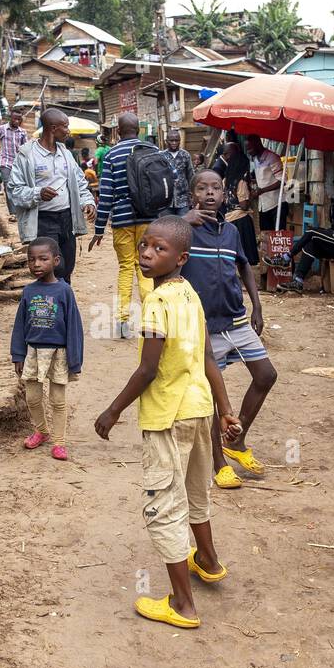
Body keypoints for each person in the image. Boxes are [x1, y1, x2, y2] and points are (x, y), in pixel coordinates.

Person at [94, 217, 241, 630]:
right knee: (196, 492)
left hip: (168, 416)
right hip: (198, 410)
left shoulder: (157, 303)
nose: (145, 254)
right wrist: (225, 408)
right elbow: (209, 358)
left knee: (165, 504)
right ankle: (208, 561)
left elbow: (147, 370)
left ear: (181, 258)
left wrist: (113, 410)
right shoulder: (190, 294)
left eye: (158, 249)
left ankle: (182, 604)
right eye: (144, 246)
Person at [183, 170, 277, 489]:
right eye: (202, 187)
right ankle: (219, 464)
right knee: (209, 395)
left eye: (216, 188)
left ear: (225, 195)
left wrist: (257, 306)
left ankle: (235, 441)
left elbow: (244, 267)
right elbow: (154, 241)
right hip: (204, 327)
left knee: (266, 375)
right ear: (192, 194)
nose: (210, 193)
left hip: (236, 319)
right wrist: (184, 220)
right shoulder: (184, 230)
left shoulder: (232, 231)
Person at [11, 236, 84, 463]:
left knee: (57, 400)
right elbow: (19, 325)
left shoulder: (64, 291)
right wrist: (18, 354)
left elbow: (74, 326)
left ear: (56, 260)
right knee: (32, 397)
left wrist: (75, 359)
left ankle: (59, 442)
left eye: (43, 259)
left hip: (58, 353)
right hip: (33, 352)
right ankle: (41, 431)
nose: (37, 265)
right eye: (31, 260)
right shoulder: (28, 292)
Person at [8, 107, 96, 282]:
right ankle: (51, 304)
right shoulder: (27, 155)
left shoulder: (66, 154)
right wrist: (38, 193)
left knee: (68, 266)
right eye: (65, 126)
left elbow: (80, 182)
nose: (68, 131)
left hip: (66, 218)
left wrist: (88, 201)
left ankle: (64, 302)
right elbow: (14, 191)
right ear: (53, 128)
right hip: (43, 220)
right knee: (54, 267)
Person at [89, 112, 153, 338]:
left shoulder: (112, 155)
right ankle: (150, 319)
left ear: (117, 130)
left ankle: (123, 322)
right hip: (149, 220)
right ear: (139, 129)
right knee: (146, 268)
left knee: (127, 266)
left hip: (122, 220)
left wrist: (98, 230)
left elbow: (105, 196)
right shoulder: (152, 151)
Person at [212, 138, 259, 266]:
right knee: (245, 258)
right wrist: (250, 198)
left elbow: (222, 199)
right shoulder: (241, 181)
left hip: (229, 218)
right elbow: (243, 206)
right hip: (241, 220)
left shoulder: (225, 180)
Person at [0, 105, 27, 215]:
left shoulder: (22, 132)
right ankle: (13, 213)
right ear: (10, 118)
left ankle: (19, 210)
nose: (17, 121)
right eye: (15, 119)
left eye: (19, 119)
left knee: (18, 187)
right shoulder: (2, 129)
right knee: (8, 186)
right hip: (6, 163)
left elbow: (26, 149)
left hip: (18, 164)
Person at [245, 134, 288, 232]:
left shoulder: (272, 158)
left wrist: (262, 191)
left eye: (250, 149)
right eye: (247, 149)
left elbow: (282, 181)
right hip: (263, 205)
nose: (249, 152)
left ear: (258, 144)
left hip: (277, 204)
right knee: (265, 236)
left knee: (279, 237)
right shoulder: (255, 159)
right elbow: (262, 178)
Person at [164, 129, 195, 216]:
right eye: (171, 140)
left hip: (183, 200)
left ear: (179, 141)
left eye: (176, 140)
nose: (174, 143)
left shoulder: (185, 155)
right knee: (167, 227)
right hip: (167, 201)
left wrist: (192, 195)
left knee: (183, 225)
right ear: (167, 141)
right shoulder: (162, 156)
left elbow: (191, 175)